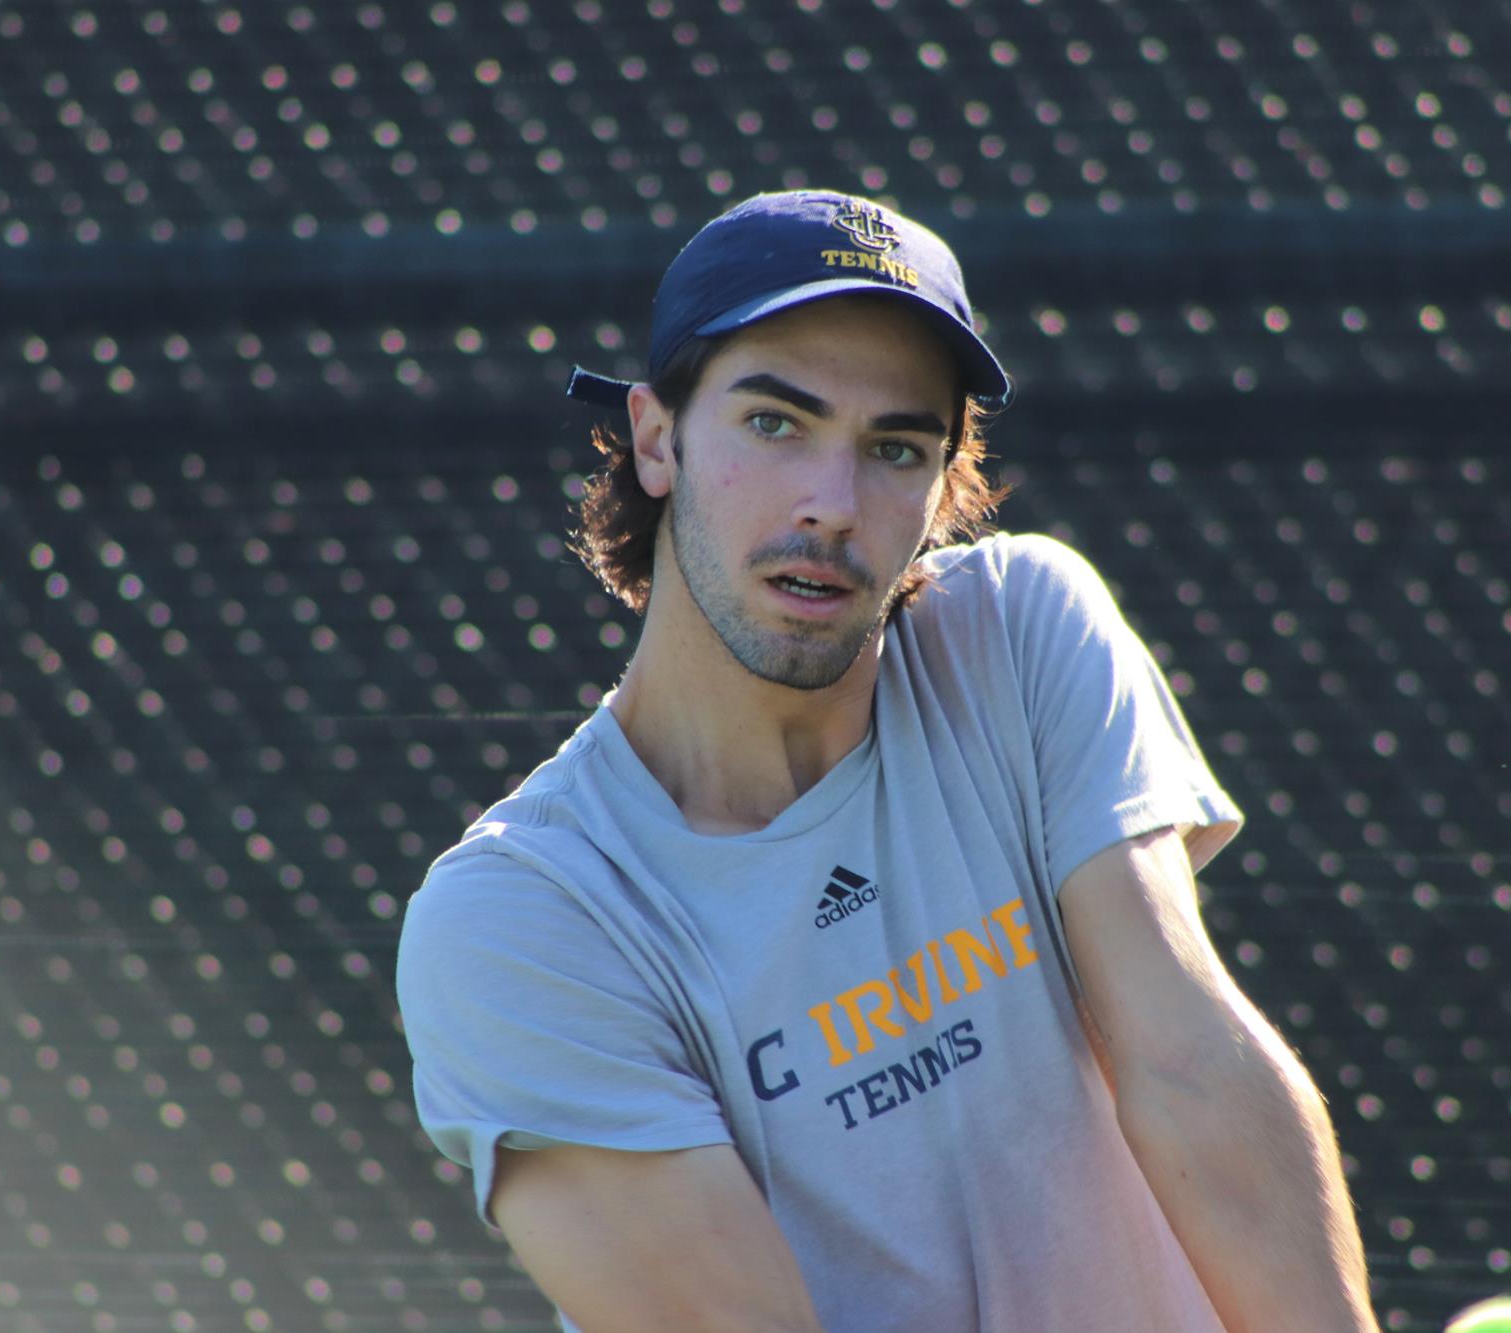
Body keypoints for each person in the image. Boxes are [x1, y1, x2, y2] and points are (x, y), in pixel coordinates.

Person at [395, 190, 1379, 1332]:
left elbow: (1189, 1067)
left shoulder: (1019, 632)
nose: (832, 504)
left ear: (940, 488)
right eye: (774, 423)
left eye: (894, 449)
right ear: (656, 438)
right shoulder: (520, 920)